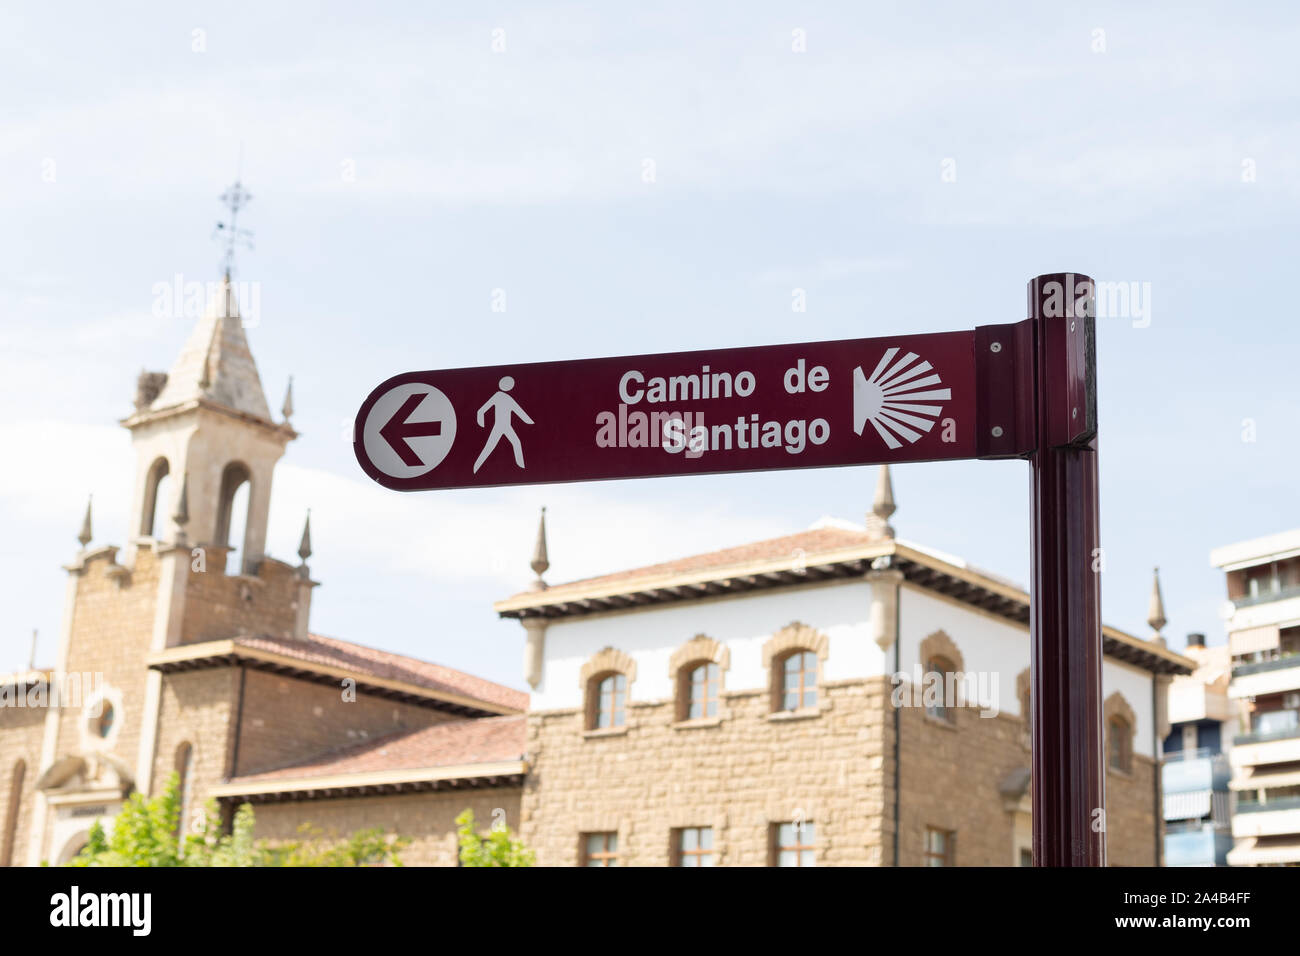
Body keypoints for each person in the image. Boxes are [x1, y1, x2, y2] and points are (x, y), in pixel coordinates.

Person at [473, 376, 533, 473]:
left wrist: (529, 421)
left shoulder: (509, 398)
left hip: (507, 427)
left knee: (516, 442)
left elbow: (519, 411)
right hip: (498, 426)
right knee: (489, 447)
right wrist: (481, 422)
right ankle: (476, 467)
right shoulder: (498, 395)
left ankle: (522, 467)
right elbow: (481, 410)